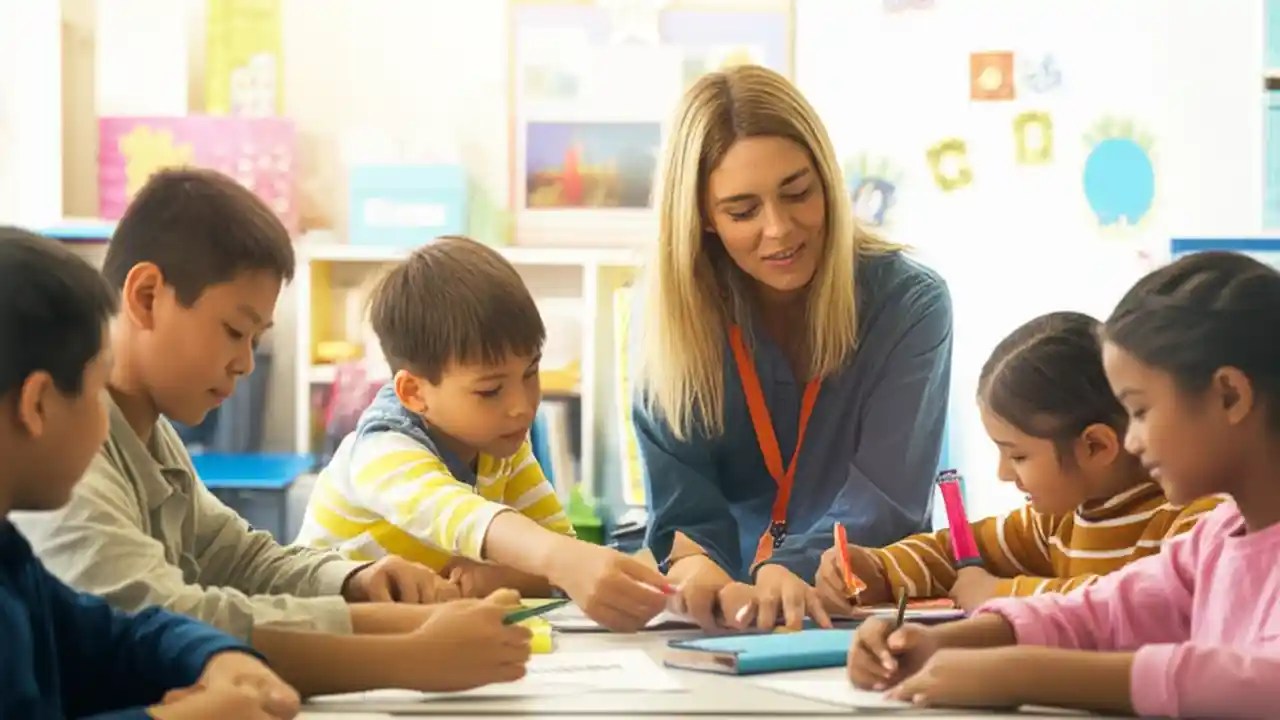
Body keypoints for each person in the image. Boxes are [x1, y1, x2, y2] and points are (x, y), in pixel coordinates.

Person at [18, 169, 531, 696]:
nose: (244, 362)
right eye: (235, 331)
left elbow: (235, 558)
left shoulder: (148, 431)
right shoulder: (67, 458)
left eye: (255, 338)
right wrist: (404, 653)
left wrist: (356, 583)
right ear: (147, 296)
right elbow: (166, 624)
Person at [847, 251, 1280, 718]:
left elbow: (1257, 682)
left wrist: (1020, 674)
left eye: (1140, 411)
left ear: (1229, 396)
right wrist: (935, 641)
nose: (1131, 439)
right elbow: (1100, 613)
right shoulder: (1215, 538)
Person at [632, 64, 952, 631]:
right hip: (729, 620)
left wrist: (792, 567)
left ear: (828, 182)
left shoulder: (910, 303)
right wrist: (693, 567)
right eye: (742, 211)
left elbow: (886, 500)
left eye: (798, 193)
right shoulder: (669, 320)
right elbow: (683, 510)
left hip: (857, 611)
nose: (778, 230)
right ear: (703, 218)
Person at [296, 237, 674, 632]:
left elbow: (561, 548)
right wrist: (557, 561)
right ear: (414, 392)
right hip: (327, 630)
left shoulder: (500, 441)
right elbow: (462, 517)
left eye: (530, 373)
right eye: (490, 390)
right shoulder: (381, 452)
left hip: (414, 632)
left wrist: (506, 576)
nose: (522, 406)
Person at [0, 226, 300, 719]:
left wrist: (214, 656)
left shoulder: (10, 559)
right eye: (98, 392)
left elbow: (114, 634)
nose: (105, 427)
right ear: (37, 404)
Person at [815, 312, 1222, 613]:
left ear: (1096, 446)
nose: (1003, 473)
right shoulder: (1056, 521)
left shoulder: (1196, 519)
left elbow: (1133, 604)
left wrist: (999, 595)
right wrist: (875, 570)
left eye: (1018, 455)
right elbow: (956, 551)